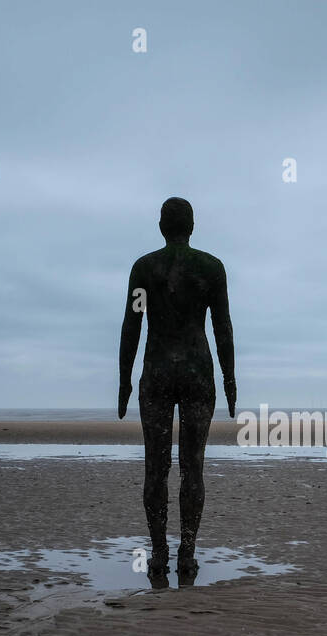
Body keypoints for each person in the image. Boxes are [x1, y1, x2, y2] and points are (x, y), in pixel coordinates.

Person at [118, 198, 235, 577]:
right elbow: (222, 328)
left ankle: (158, 554)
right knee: (192, 467)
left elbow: (131, 325)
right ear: (192, 226)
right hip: (199, 372)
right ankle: (187, 552)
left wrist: (124, 378)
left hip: (156, 372)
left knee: (156, 468)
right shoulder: (211, 268)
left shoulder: (144, 268)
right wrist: (230, 379)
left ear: (161, 226)